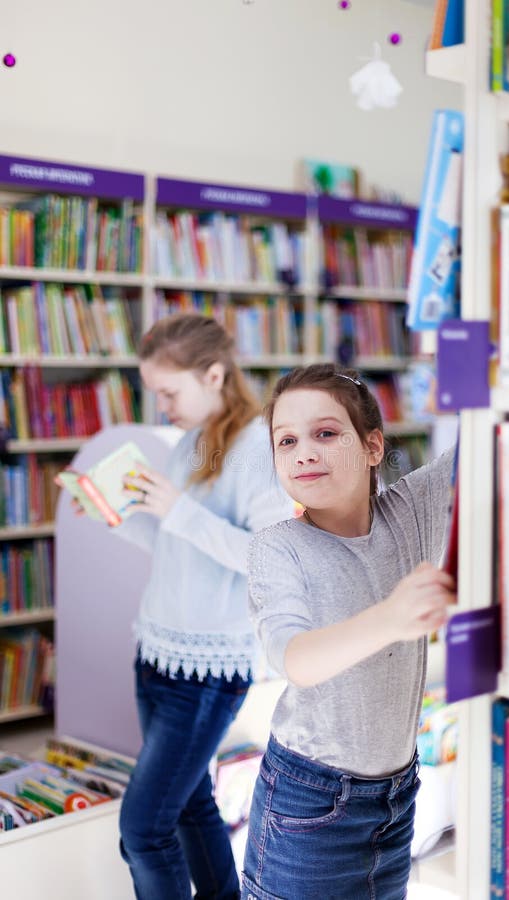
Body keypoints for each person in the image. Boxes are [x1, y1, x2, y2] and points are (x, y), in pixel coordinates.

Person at [72, 312, 294, 900]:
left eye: (169, 391)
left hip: (207, 671)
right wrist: (111, 516)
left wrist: (178, 512)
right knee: (192, 805)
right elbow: (175, 544)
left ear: (214, 373)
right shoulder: (191, 441)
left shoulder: (256, 448)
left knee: (143, 830)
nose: (162, 404)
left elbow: (266, 559)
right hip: (157, 653)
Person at [241, 363, 456, 900]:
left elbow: (490, 443)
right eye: (285, 441)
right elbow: (293, 657)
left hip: (398, 795)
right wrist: (390, 616)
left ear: (373, 447)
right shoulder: (277, 547)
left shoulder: (409, 512)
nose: (303, 452)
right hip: (309, 805)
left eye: (326, 433)